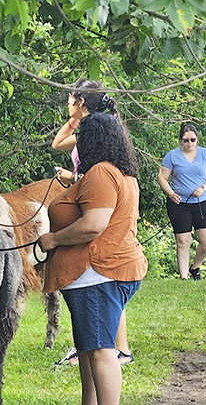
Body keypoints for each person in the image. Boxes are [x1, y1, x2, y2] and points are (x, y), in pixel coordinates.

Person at [39, 113, 147, 405]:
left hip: (96, 274)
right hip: (100, 274)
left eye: (81, 138)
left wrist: (53, 240)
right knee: (88, 352)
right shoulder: (122, 175)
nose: (77, 145)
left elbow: (93, 224)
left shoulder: (100, 173)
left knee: (100, 351)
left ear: (92, 141)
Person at [50, 79, 134, 365]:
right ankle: (97, 346)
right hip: (89, 192)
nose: (66, 104)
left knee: (105, 282)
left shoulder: (101, 131)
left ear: (80, 100)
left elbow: (101, 178)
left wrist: (73, 180)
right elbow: (57, 143)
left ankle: (117, 348)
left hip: (98, 198)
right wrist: (75, 121)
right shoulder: (87, 129)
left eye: (70, 99)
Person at [157, 123, 206, 281]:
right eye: (186, 140)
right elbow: (162, 178)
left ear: (197, 139)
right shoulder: (172, 156)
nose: (189, 143)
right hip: (179, 203)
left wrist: (204, 187)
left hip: (202, 201)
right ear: (180, 140)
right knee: (183, 240)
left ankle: (195, 267)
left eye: (192, 139)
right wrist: (170, 193)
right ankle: (184, 277)